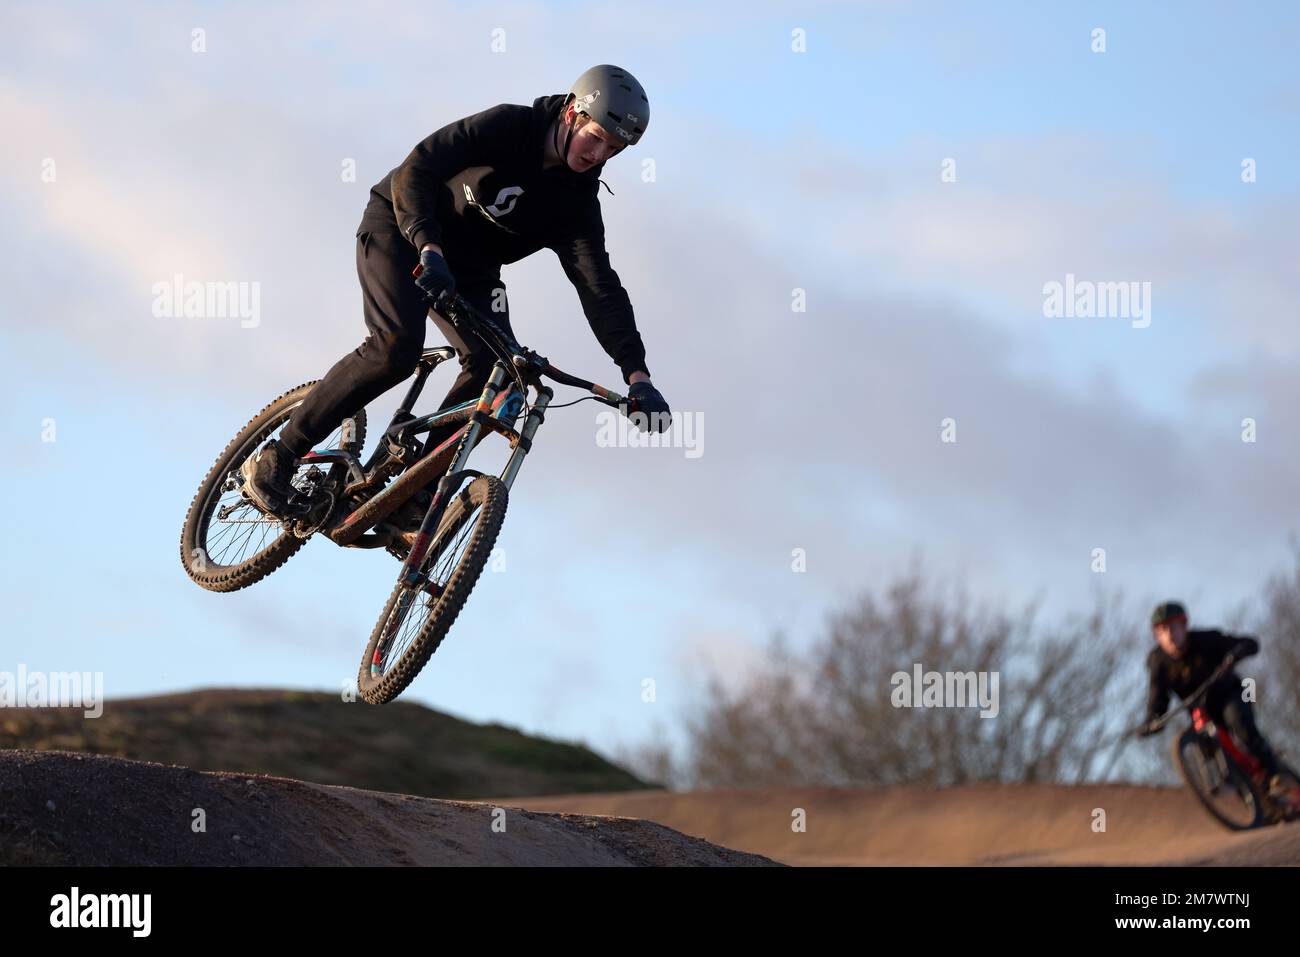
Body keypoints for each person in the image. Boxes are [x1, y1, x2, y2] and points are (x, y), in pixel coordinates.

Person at [242, 65, 671, 516]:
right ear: (572, 115)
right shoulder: (510, 126)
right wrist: (427, 244)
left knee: (502, 375)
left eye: (614, 148)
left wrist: (636, 374)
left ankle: (411, 489)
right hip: (403, 225)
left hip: (470, 269)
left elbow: (599, 287)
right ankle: (278, 456)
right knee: (396, 349)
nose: (599, 154)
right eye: (597, 136)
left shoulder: (577, 205)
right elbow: (418, 166)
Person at [1139, 600, 1286, 794]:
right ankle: (1236, 789)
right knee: (1205, 743)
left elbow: (1249, 643)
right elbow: (1158, 696)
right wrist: (1151, 721)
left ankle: (1276, 773)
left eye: (1174, 628)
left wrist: (1239, 652)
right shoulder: (1158, 662)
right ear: (1157, 636)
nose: (1169, 635)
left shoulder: (1207, 640)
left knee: (1239, 722)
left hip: (1234, 693)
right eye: (1162, 631)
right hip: (1201, 711)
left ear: (1184, 626)